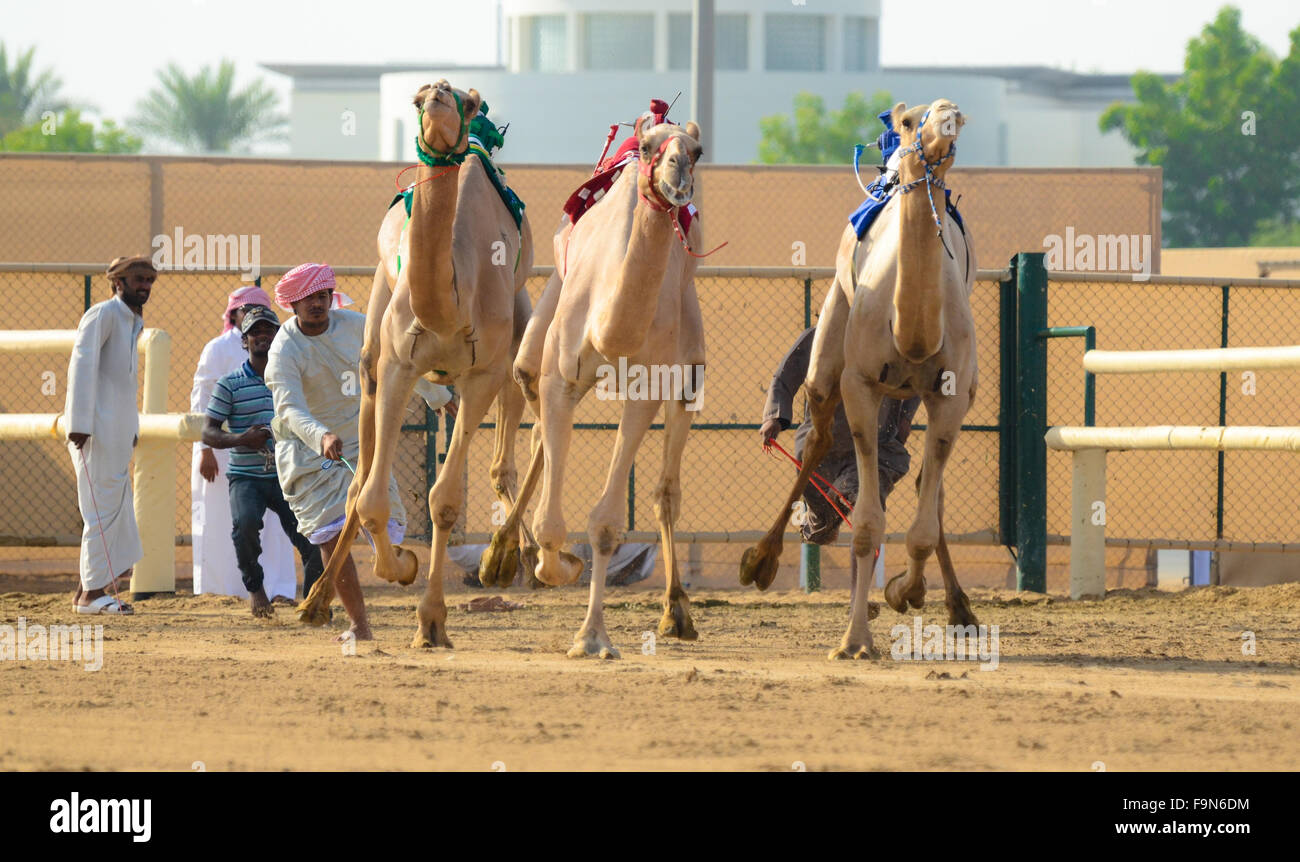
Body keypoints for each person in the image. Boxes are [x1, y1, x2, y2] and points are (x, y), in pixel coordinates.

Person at [265, 263, 452, 641]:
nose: (317, 304)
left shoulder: (357, 326)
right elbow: (288, 407)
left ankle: (392, 563)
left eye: (322, 296)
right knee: (333, 537)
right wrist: (320, 436)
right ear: (293, 304)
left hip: (361, 444)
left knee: (379, 522)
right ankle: (359, 626)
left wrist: (438, 395)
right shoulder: (284, 348)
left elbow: (399, 359)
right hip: (308, 453)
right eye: (308, 299)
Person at [761, 327, 920, 600]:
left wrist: (905, 417)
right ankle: (815, 518)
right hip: (821, 448)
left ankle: (859, 600)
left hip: (876, 447)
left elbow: (919, 374)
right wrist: (774, 417)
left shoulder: (895, 338)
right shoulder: (822, 335)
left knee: (865, 512)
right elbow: (785, 376)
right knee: (821, 527)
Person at [202, 307, 326, 618]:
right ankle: (256, 590)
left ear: (278, 336)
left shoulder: (293, 379)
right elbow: (208, 432)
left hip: (290, 473)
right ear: (244, 341)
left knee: (313, 537)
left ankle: (313, 602)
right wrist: (243, 438)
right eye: (255, 332)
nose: (263, 336)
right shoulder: (230, 384)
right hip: (246, 476)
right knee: (245, 527)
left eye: (269, 330)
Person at [190, 285, 297, 601]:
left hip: (276, 454)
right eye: (245, 309)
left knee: (278, 528)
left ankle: (278, 589)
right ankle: (222, 590)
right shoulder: (217, 348)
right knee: (231, 522)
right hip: (226, 452)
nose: (251, 315)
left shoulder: (281, 347)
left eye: (258, 309)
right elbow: (202, 400)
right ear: (233, 314)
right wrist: (205, 450)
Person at [64, 255, 155, 615]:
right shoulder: (101, 314)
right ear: (118, 282)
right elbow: (81, 366)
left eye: (149, 280)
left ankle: (86, 590)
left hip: (117, 434)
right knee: (101, 512)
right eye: (138, 279)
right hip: (94, 432)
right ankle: (92, 596)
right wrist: (79, 423)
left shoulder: (133, 320)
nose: (145, 286)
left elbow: (123, 385)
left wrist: (131, 429)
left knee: (114, 510)